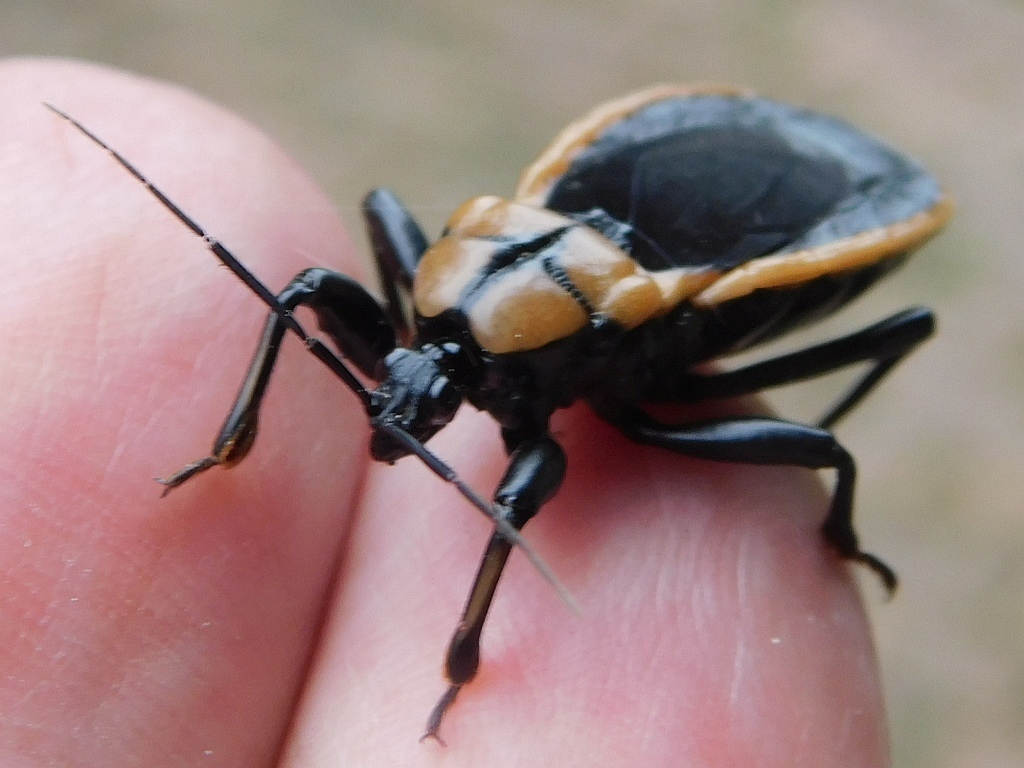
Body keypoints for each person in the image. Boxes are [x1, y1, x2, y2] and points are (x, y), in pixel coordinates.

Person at [0, 58, 889, 766]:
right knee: (308, 291)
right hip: (590, 250)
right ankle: (230, 448)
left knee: (818, 450)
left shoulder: (586, 369)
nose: (401, 409)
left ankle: (462, 663)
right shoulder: (442, 315)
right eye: (408, 382)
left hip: (744, 260)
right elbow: (315, 292)